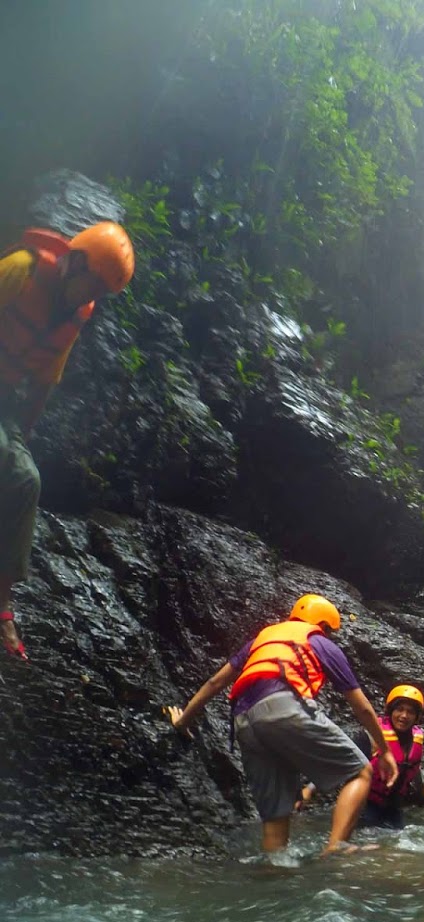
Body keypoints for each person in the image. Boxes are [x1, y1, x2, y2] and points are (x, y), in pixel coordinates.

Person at [165, 593, 398, 855]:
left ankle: (275, 869)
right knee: (360, 772)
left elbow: (215, 682)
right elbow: (362, 708)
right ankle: (336, 847)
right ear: (323, 625)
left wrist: (183, 720)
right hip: (284, 709)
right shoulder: (319, 642)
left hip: (244, 724)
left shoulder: (261, 640)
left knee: (276, 816)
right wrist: (384, 750)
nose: (328, 636)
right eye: (329, 631)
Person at [0, 221, 136, 659]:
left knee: (26, 479)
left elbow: (44, 382)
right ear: (74, 262)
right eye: (91, 282)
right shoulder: (21, 268)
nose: (90, 294)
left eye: (100, 290)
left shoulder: (75, 314)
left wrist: (23, 435)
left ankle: (1, 602)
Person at [300, 683, 424, 829]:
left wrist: (422, 791)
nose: (404, 716)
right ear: (391, 711)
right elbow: (341, 761)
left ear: (416, 717)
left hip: (394, 805)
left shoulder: (416, 738)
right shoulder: (371, 737)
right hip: (366, 804)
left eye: (410, 712)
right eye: (399, 709)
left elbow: (412, 767)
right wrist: (310, 789)